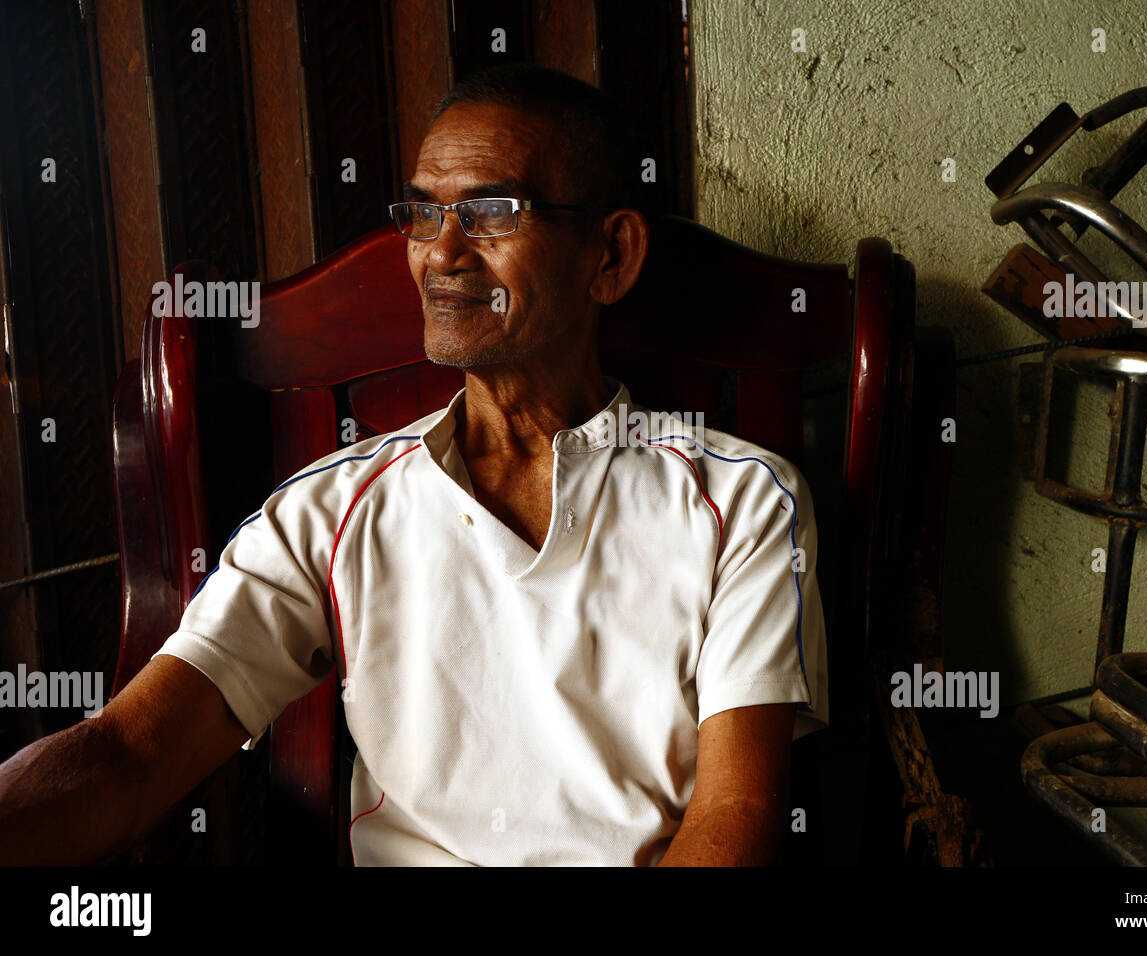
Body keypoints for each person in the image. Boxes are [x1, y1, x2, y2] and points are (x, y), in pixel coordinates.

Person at [0, 63, 828, 866]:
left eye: (493, 212)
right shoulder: (330, 513)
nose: (443, 253)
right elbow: (129, 756)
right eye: (423, 214)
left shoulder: (742, 502)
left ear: (610, 254)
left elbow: (736, 819)